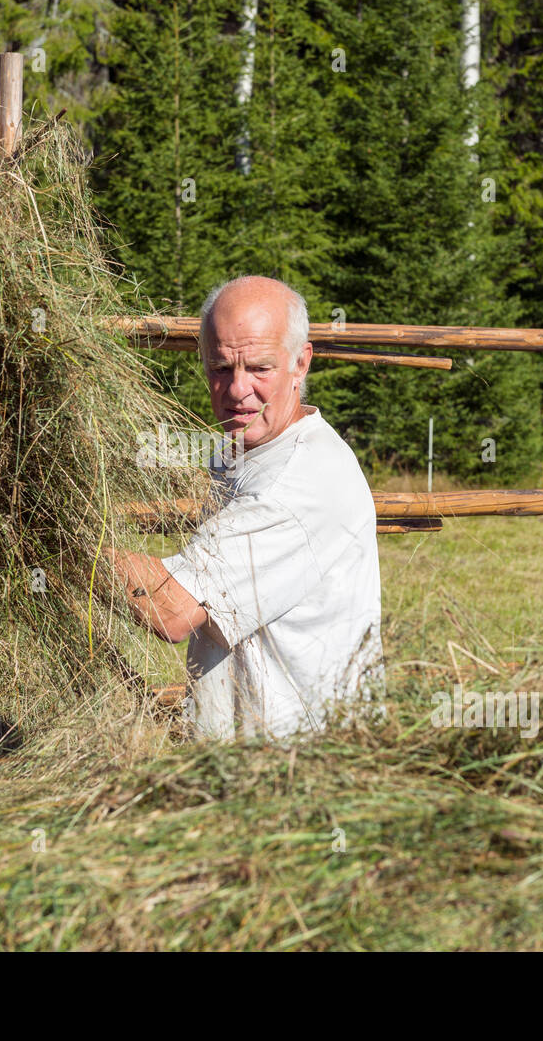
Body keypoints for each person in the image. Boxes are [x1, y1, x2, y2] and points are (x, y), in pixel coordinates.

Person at [113, 275, 384, 739]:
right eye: (220, 368)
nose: (238, 390)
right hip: (244, 764)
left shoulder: (299, 479)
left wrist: (63, 540)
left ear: (300, 363)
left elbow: (173, 610)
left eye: (260, 368)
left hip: (301, 767)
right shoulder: (243, 449)